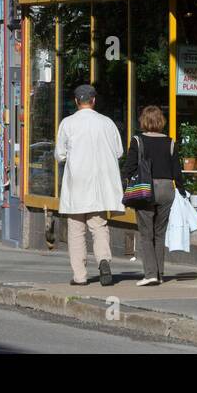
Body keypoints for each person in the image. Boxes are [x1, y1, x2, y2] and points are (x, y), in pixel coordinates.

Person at [55, 84, 124, 287]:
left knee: (76, 230)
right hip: (100, 184)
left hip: (77, 183)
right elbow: (118, 152)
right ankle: (103, 260)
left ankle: (80, 276)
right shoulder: (107, 123)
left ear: (77, 101)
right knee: (99, 226)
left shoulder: (68, 123)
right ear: (94, 100)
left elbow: (60, 154)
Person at [122, 104, 180, 286]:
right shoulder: (170, 142)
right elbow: (176, 170)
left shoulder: (138, 141)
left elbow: (129, 167)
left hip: (145, 188)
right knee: (160, 233)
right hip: (166, 188)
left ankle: (150, 274)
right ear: (161, 121)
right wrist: (182, 189)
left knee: (146, 233)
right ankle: (160, 273)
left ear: (143, 121)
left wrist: (124, 180)